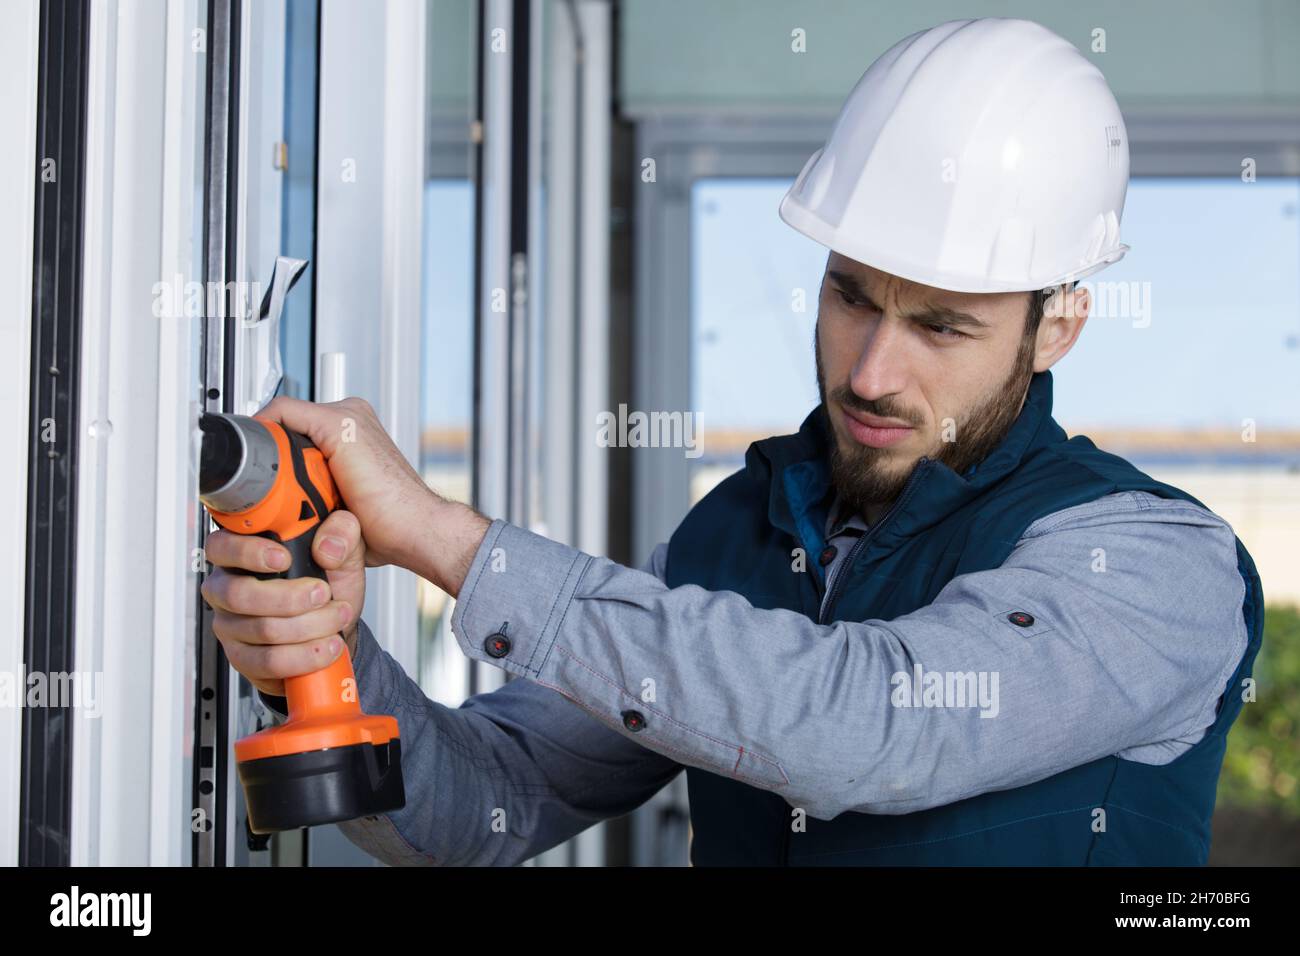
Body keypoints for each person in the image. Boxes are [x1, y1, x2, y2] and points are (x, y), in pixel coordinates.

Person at [201, 18, 1262, 865]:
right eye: (851, 297)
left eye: (942, 326)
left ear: (1057, 326)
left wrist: (446, 539)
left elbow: (873, 724)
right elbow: (493, 798)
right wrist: (324, 659)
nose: (869, 373)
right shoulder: (734, 536)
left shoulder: (1154, 561)